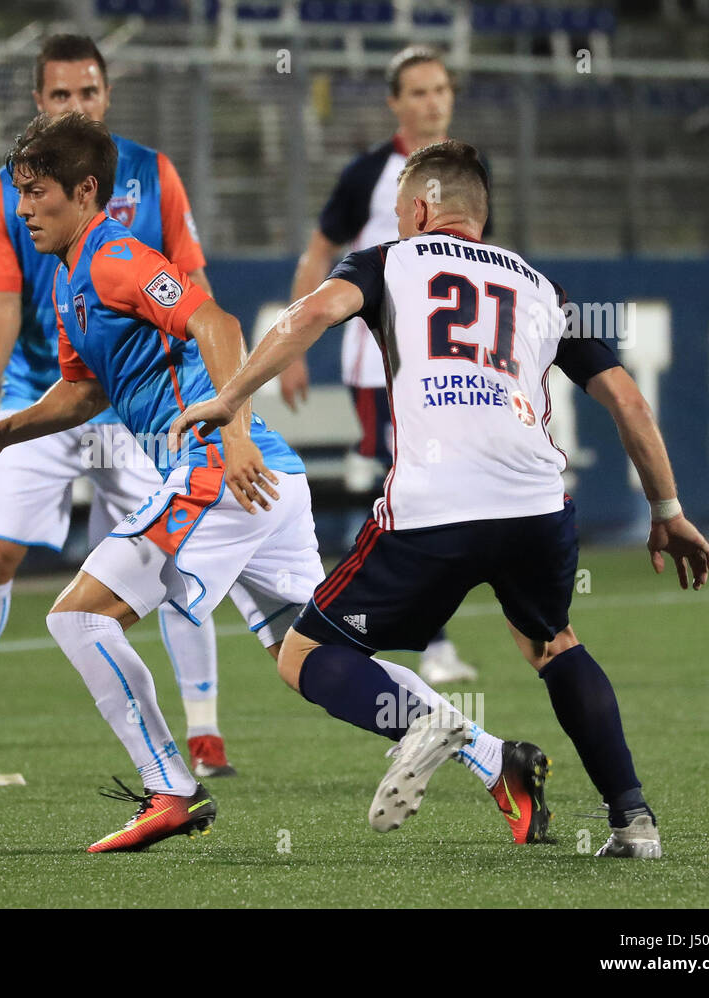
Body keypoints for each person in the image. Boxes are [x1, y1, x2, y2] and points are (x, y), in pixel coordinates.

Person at [0, 114, 544, 853]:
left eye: (35, 193)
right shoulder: (71, 280)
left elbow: (217, 324)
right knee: (312, 661)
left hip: (219, 472)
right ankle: (496, 759)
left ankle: (171, 788)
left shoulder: (116, 257)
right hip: (268, 480)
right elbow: (81, 392)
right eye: (19, 194)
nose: (22, 208)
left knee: (79, 619)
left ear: (85, 190)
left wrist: (229, 440)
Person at [170, 140, 709, 858]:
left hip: (435, 505)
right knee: (552, 641)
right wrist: (667, 511)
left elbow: (309, 316)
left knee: (304, 653)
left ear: (421, 208)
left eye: (401, 209)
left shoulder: (388, 261)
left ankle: (419, 721)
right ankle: (633, 820)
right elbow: (630, 403)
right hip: (535, 502)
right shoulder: (543, 287)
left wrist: (230, 395)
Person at [0, 35, 237, 780]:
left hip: (141, 404)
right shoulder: (6, 190)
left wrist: (222, 398)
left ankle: (206, 733)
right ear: (38, 102)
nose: (76, 106)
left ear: (106, 97)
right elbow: (1, 301)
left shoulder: (153, 176)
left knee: (174, 562)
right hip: (45, 391)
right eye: (61, 95)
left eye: (88, 93)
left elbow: (197, 289)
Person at [280, 45, 486, 687]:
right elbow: (318, 256)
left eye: (441, 89)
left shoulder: (467, 176)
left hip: (449, 364)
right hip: (381, 363)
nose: (433, 101)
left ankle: (389, 624)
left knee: (440, 488)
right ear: (395, 103)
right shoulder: (370, 173)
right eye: (419, 92)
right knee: (402, 486)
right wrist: (294, 343)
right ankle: (410, 631)